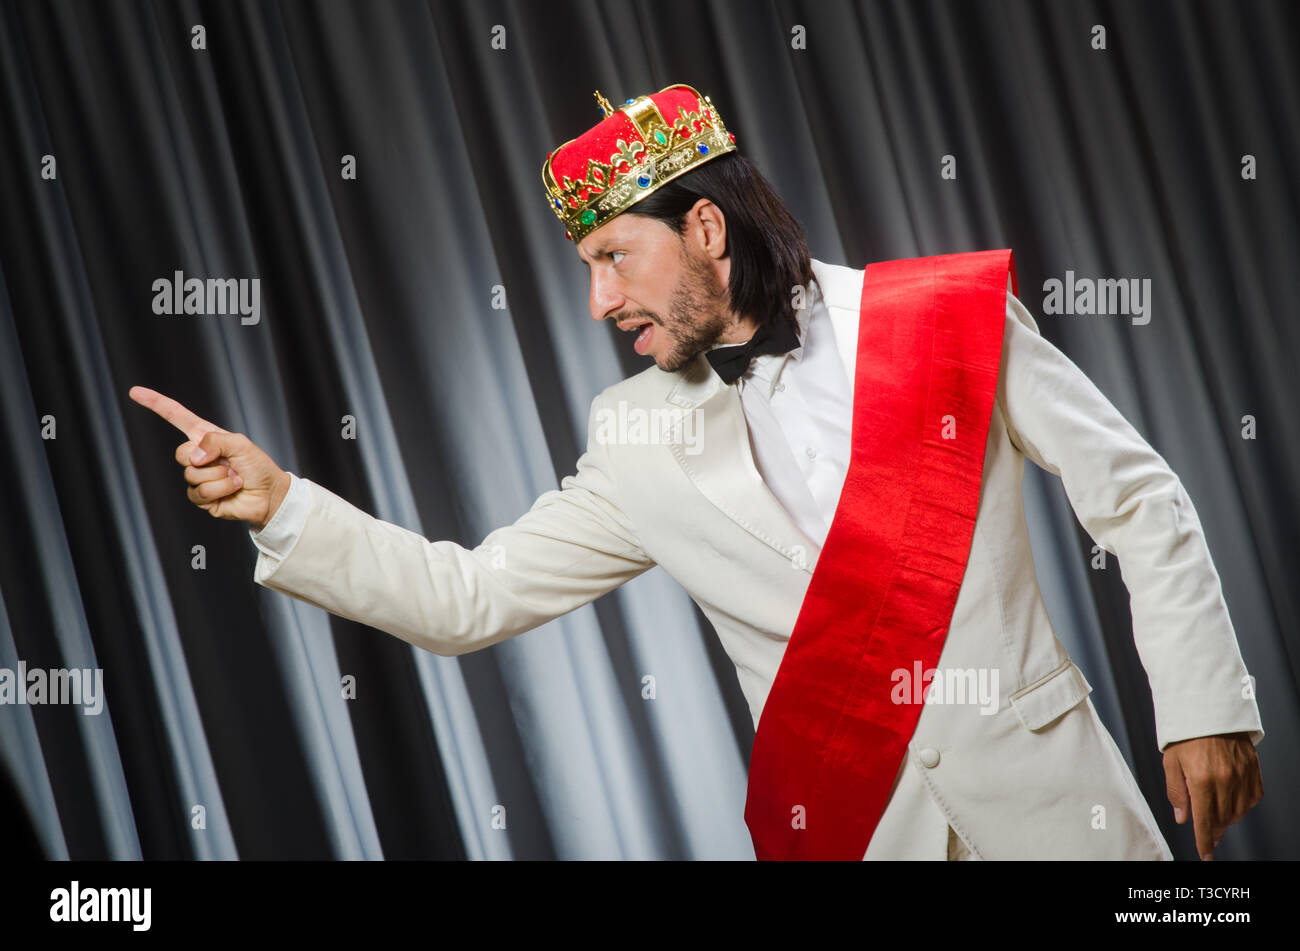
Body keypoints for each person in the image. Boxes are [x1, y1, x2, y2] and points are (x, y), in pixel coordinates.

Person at [131, 83, 1263, 861]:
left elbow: (1136, 494)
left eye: (613, 258)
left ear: (708, 229)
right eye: (585, 268)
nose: (598, 302)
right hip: (850, 831)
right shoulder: (631, 435)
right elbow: (464, 598)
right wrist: (281, 505)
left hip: (1057, 813)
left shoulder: (943, 319)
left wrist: (1203, 708)